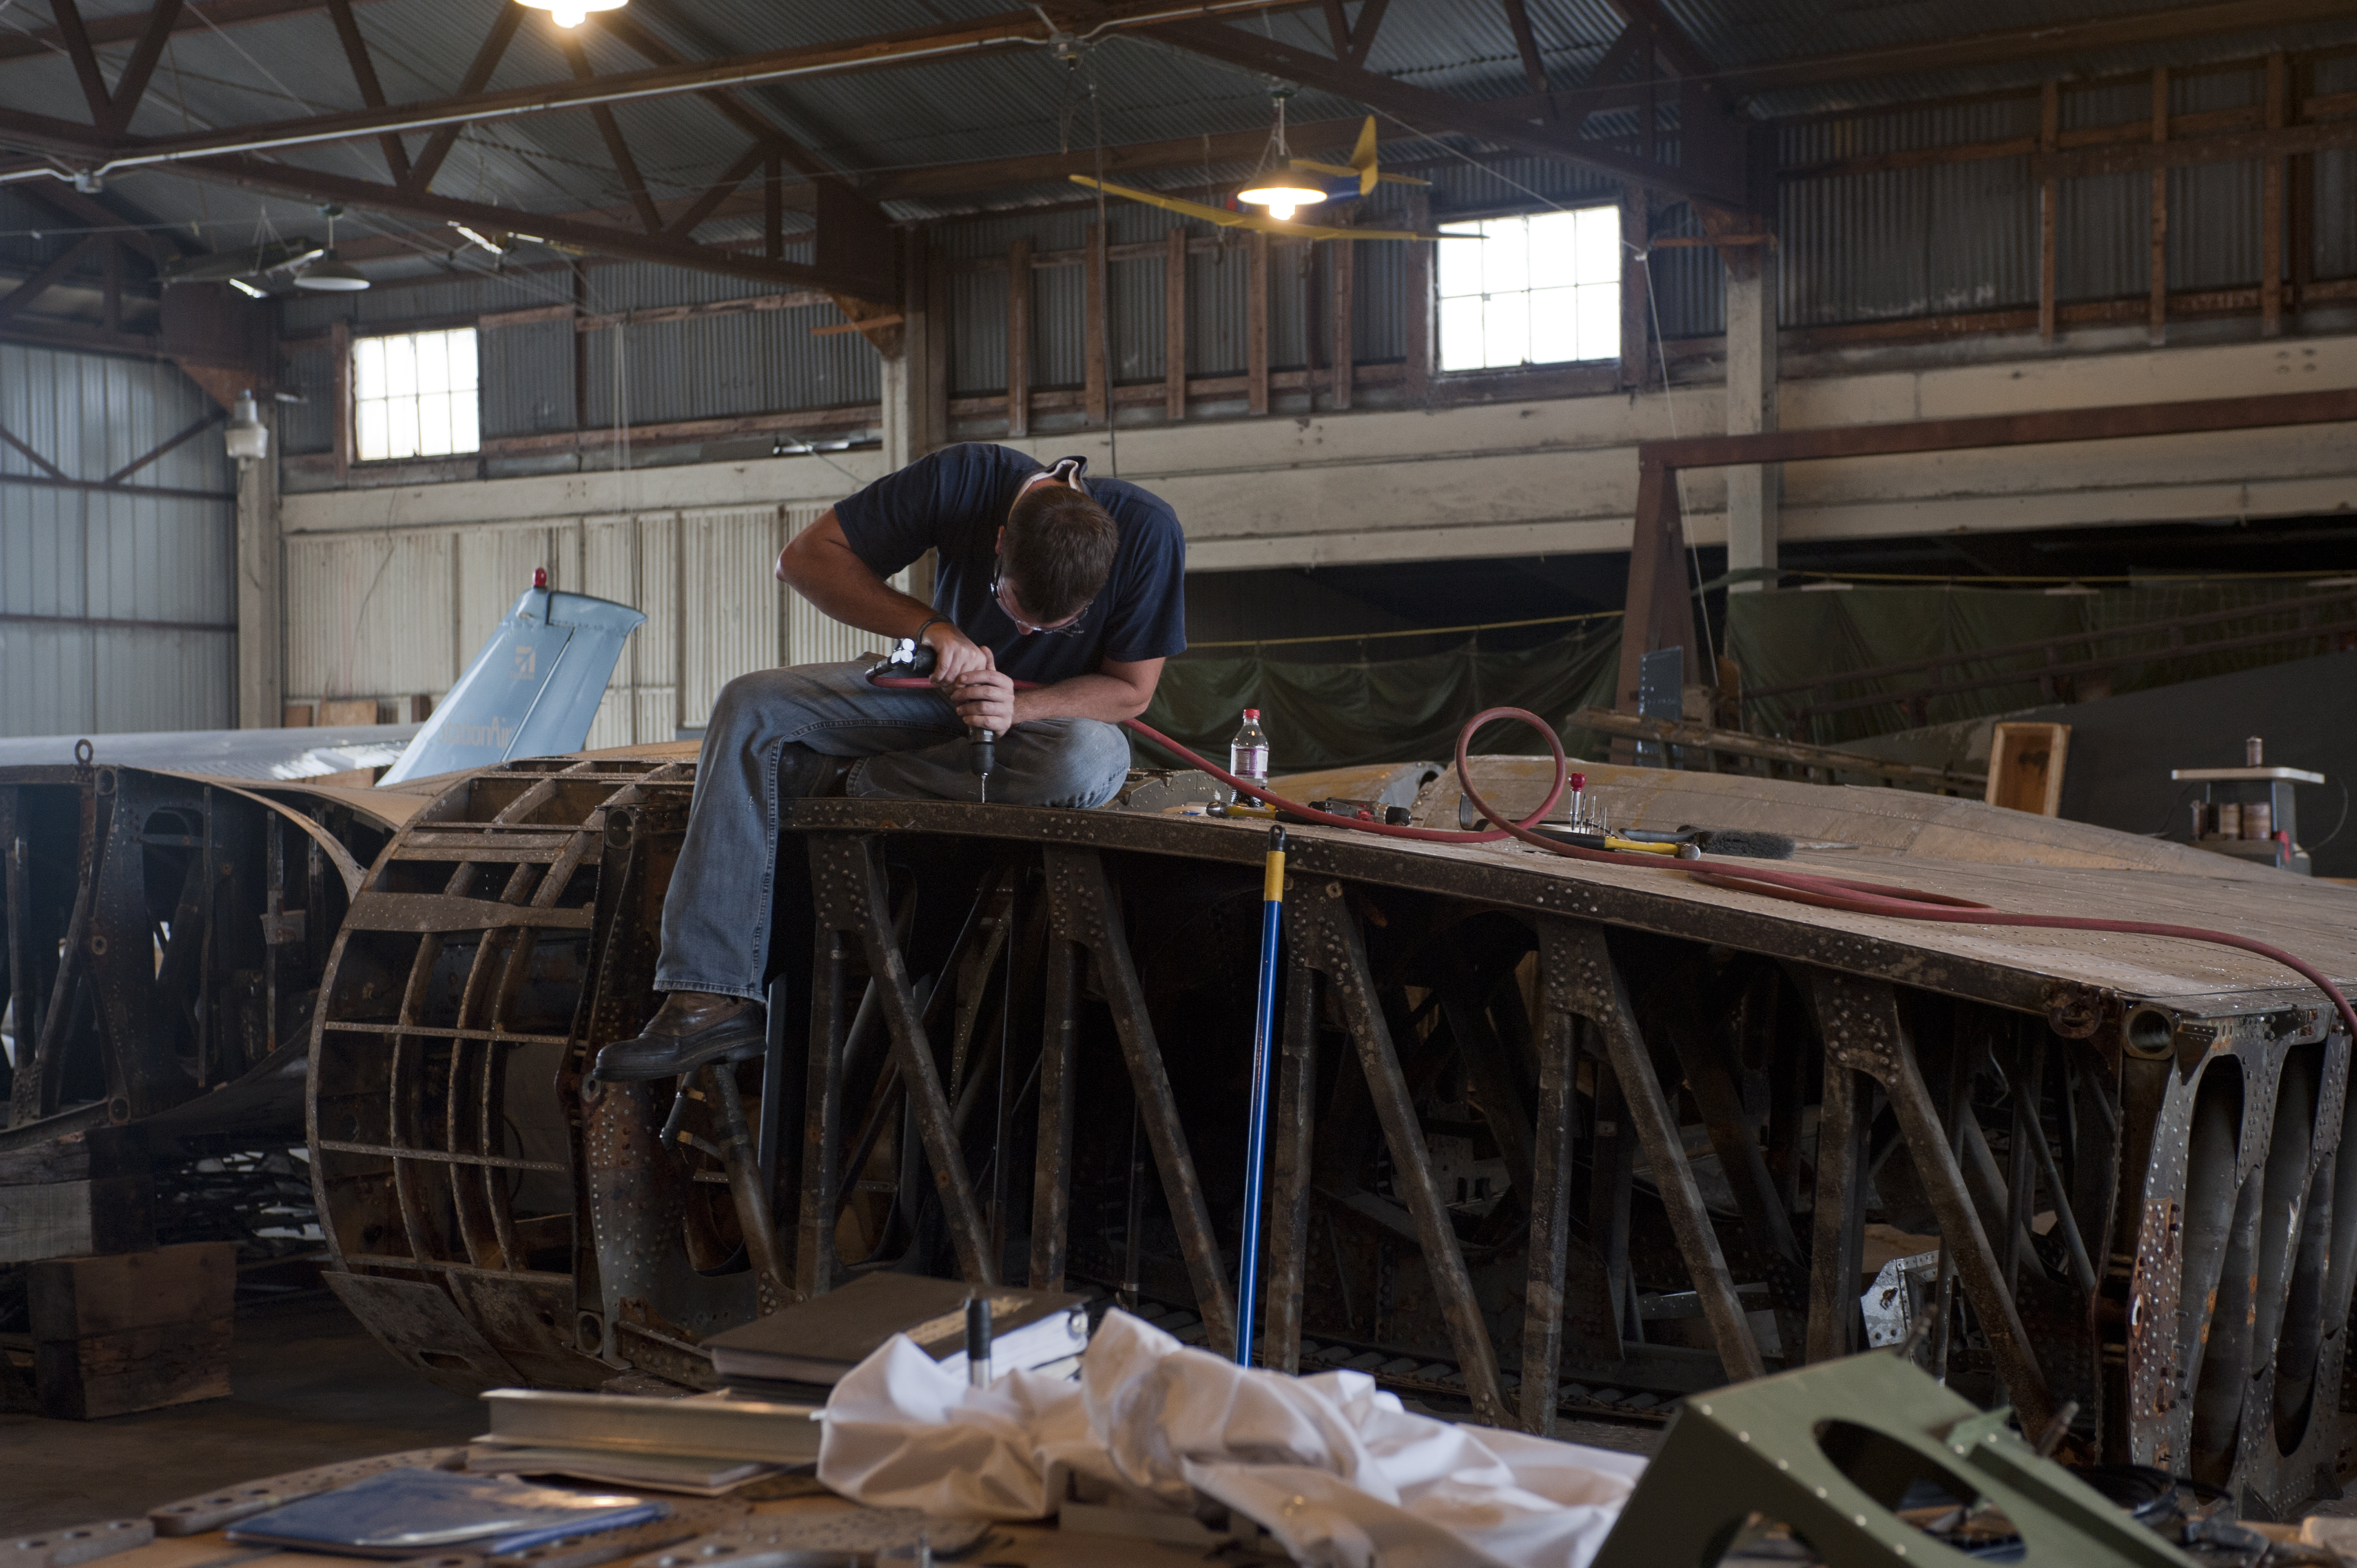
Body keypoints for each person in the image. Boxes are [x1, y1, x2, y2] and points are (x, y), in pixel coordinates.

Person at [593, 444, 1187, 1080]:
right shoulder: (964, 479)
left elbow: (1130, 691)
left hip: (1044, 728)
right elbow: (804, 560)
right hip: (934, 693)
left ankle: (857, 781)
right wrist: (934, 629)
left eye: (1057, 628)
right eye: (1016, 613)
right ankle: (706, 996)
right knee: (749, 704)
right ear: (998, 544)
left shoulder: (1150, 532)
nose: (1030, 639)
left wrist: (1018, 709)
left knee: (1085, 760)